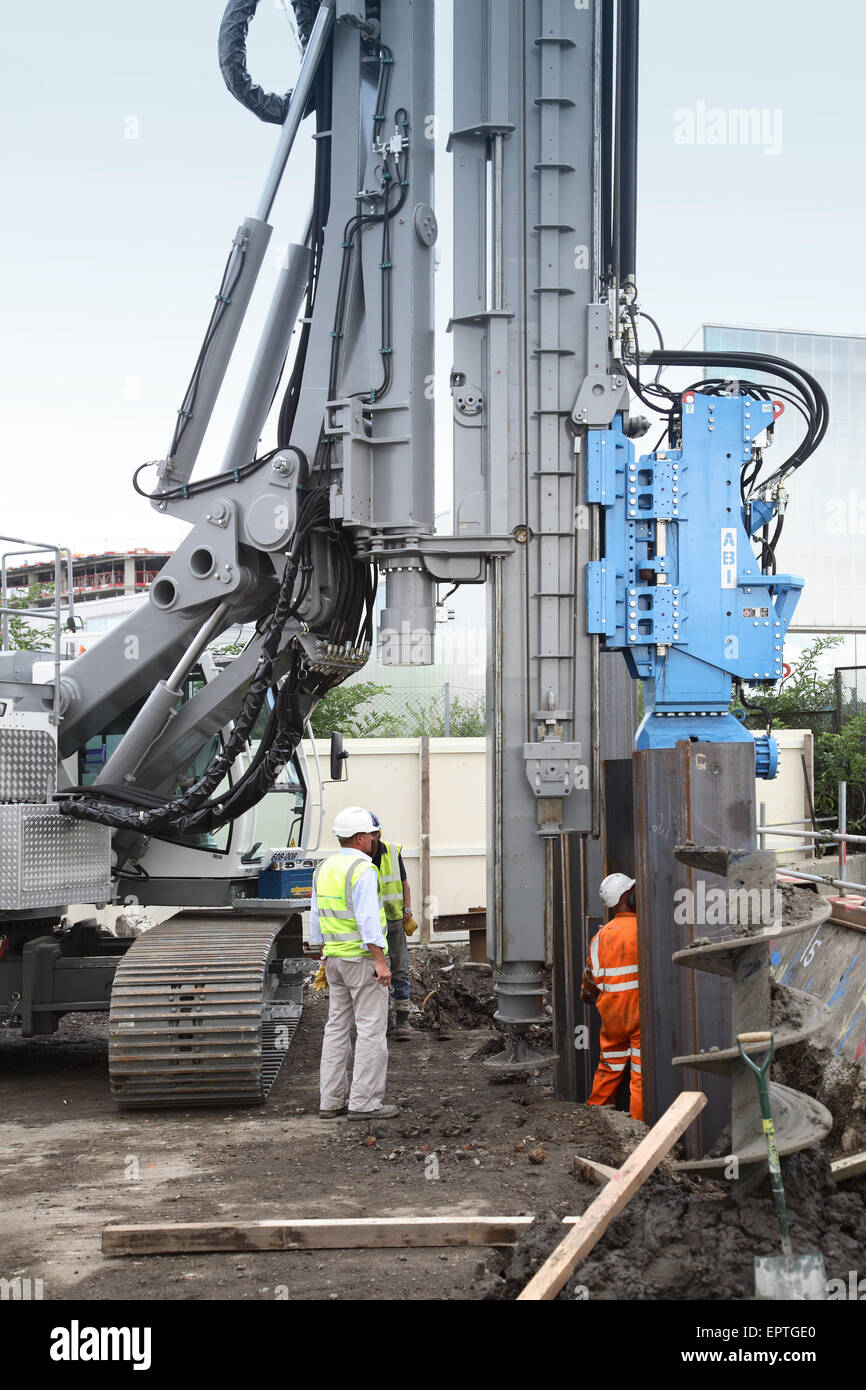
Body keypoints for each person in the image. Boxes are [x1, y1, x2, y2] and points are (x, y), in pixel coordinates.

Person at [311, 806, 399, 1121]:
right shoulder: (363, 870)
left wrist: (324, 955)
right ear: (361, 837)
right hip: (362, 962)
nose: (377, 840)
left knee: (335, 1029)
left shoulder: (323, 868)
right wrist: (381, 962)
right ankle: (364, 1104)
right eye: (374, 835)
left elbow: (316, 919)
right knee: (371, 1030)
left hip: (334, 959)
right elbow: (367, 920)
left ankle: (330, 1101)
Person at [581, 872, 643, 1122]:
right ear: (628, 897)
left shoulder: (599, 938)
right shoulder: (643, 930)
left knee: (608, 1068)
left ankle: (595, 1118)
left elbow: (589, 978)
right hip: (638, 1016)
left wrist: (586, 995)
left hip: (612, 1019)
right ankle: (638, 1128)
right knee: (640, 1075)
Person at [369, 813, 416, 1040]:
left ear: (377, 834)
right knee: (378, 970)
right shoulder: (359, 857)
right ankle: (385, 1020)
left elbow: (405, 885)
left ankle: (403, 1019)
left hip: (394, 919)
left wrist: (407, 911)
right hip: (372, 924)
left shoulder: (393, 851)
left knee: (399, 967)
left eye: (372, 834)